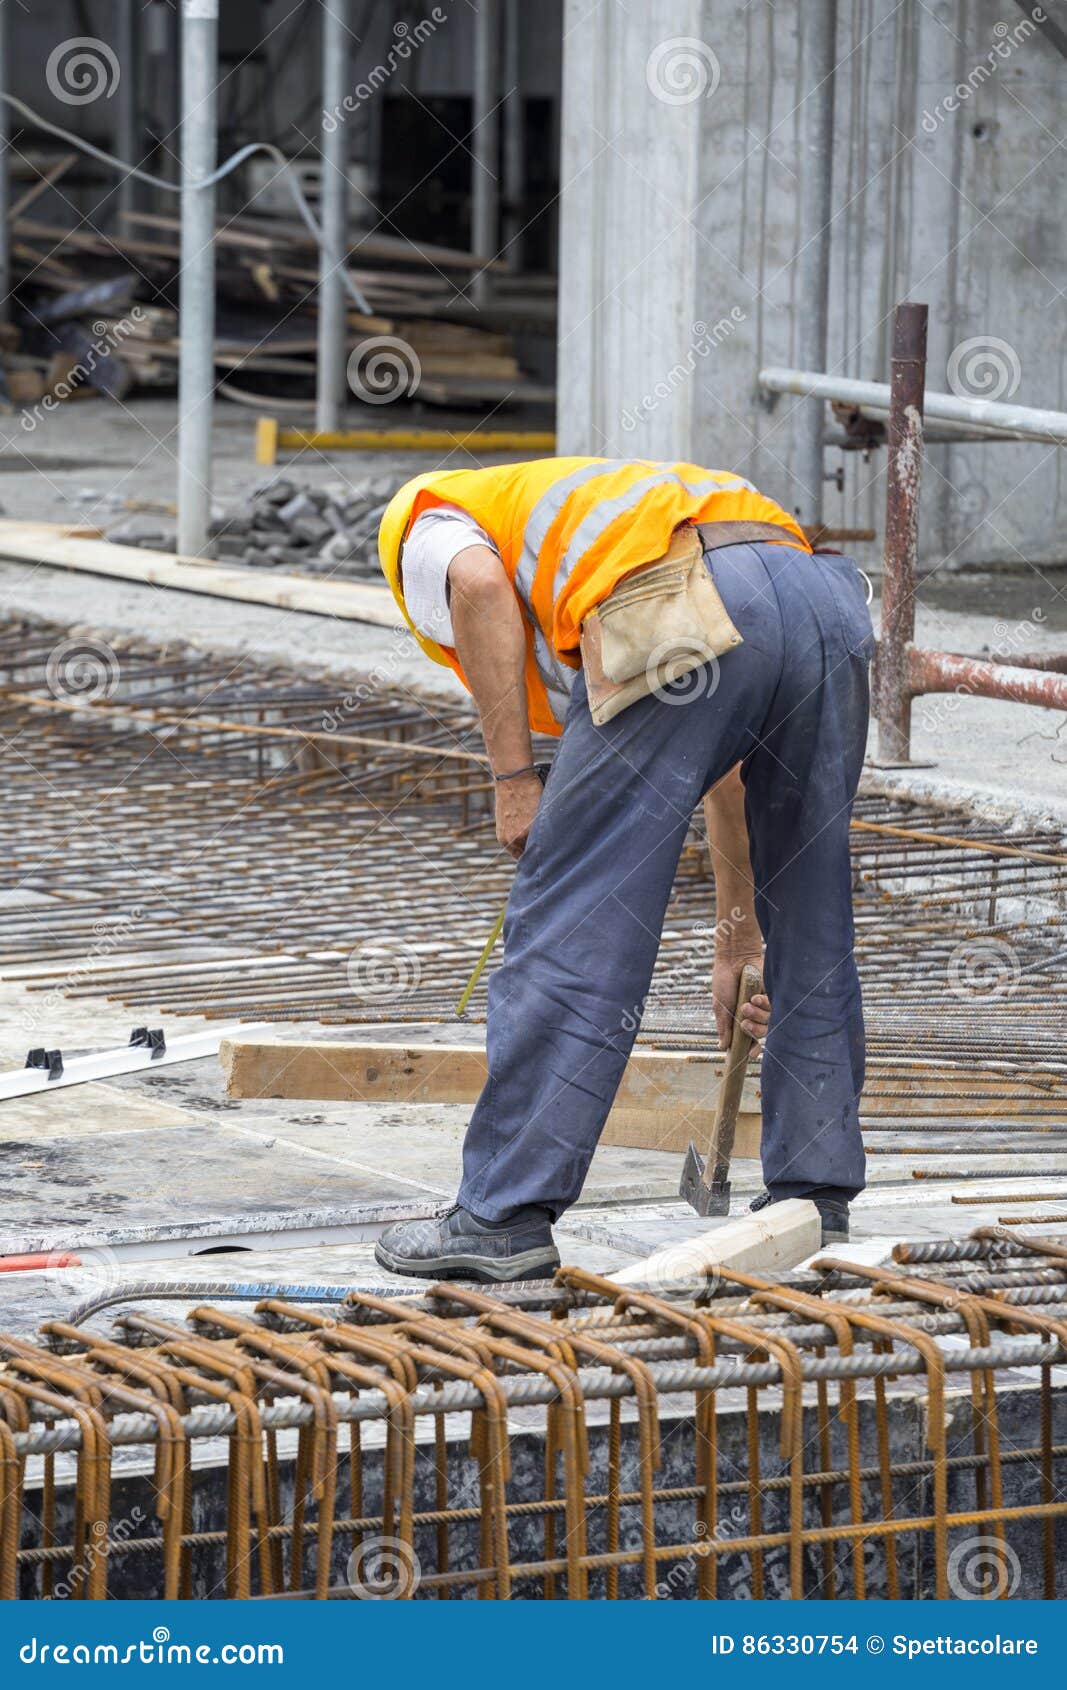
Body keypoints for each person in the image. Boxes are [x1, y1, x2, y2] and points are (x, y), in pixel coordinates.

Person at [372, 458, 874, 1280]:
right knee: (813, 902)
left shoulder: (419, 518)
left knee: (577, 916)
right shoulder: (601, 506)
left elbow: (479, 591)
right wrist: (736, 940)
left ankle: (503, 1216)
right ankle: (813, 1196)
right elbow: (728, 769)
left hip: (680, 600)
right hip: (825, 600)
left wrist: (512, 782)